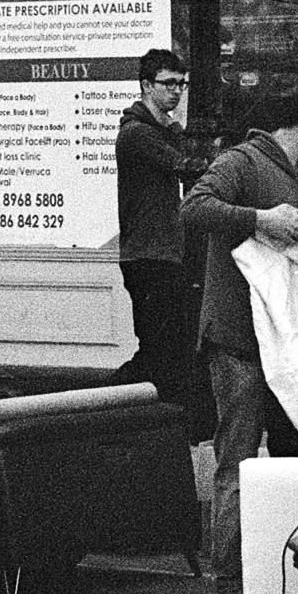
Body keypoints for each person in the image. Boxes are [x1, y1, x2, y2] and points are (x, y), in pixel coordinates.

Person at [180, 85, 298, 594]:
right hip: (240, 342)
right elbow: (194, 208)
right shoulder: (242, 161)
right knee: (238, 460)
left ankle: (297, 567)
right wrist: (258, 221)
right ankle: (231, 580)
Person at [113, 47, 199, 403]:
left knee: (168, 350)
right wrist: (176, 129)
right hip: (147, 256)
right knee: (155, 352)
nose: (177, 92)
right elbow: (187, 164)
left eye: (181, 84)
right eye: (168, 84)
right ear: (146, 86)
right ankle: (95, 403)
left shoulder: (158, 129)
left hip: (164, 253)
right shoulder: (137, 134)